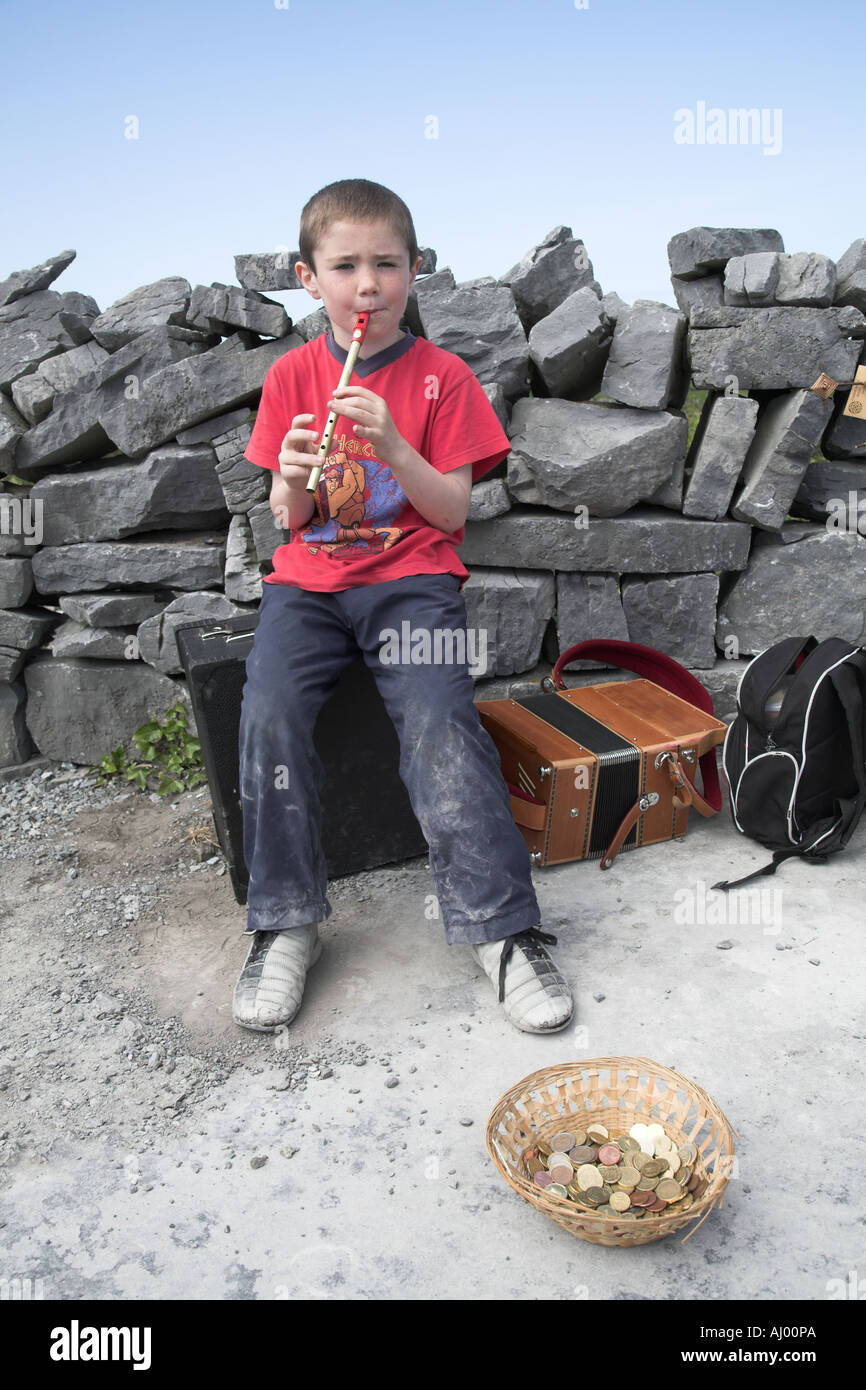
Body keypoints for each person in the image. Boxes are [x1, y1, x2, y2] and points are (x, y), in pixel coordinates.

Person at [233, 177, 574, 1036]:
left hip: (411, 579)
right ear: (310, 282)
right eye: (345, 266)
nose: (368, 285)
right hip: (308, 585)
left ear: (415, 271)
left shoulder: (442, 378)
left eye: (387, 264)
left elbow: (451, 513)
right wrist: (293, 479)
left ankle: (500, 931)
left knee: (438, 720)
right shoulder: (290, 378)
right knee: (267, 712)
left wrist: (389, 441)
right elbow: (293, 520)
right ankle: (285, 923)